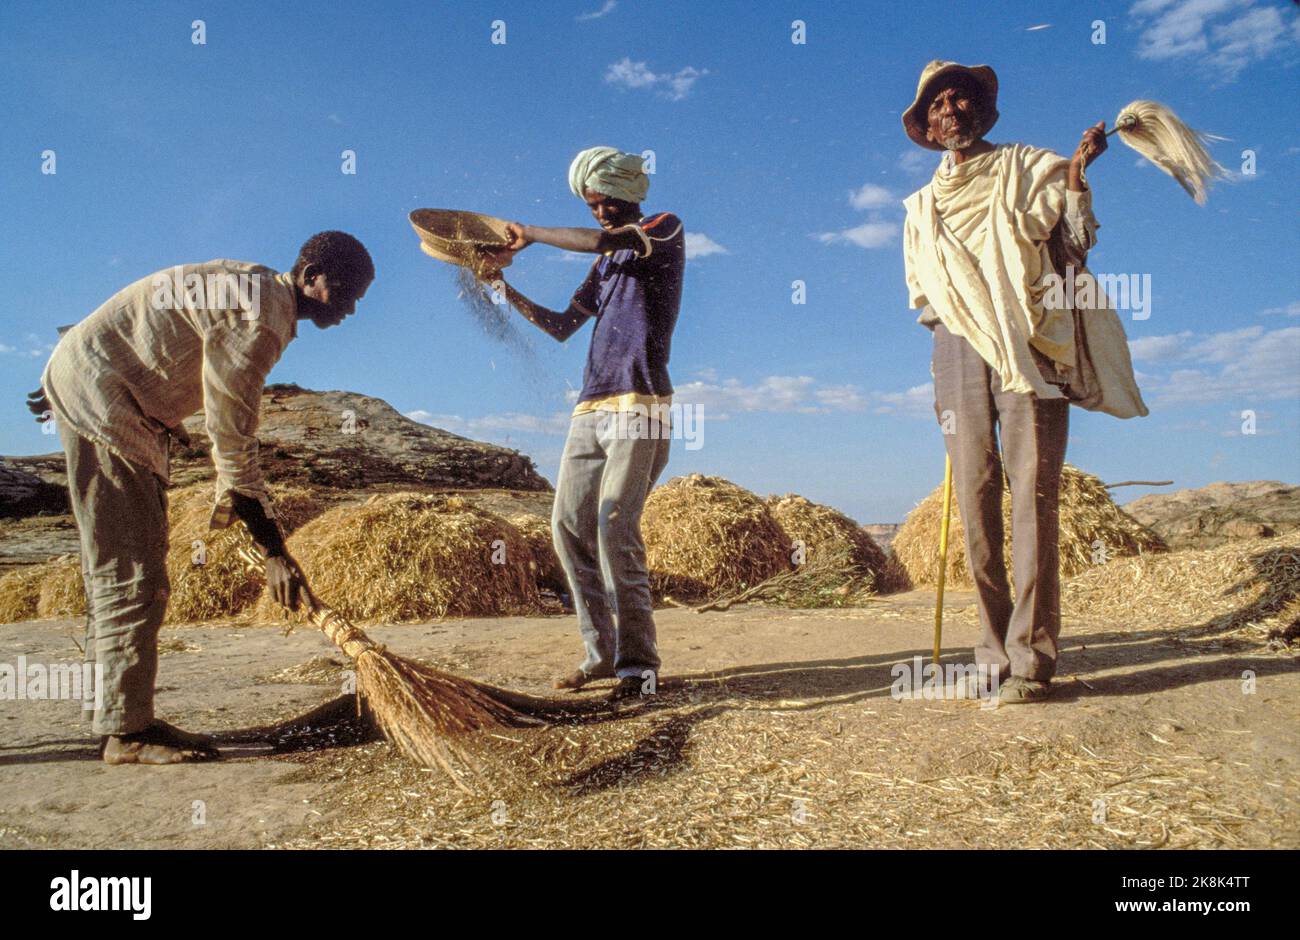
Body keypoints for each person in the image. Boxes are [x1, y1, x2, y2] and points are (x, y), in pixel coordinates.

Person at [27, 231, 375, 761]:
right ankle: (127, 734)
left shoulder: (253, 285)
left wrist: (69, 360)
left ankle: (120, 717)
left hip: (93, 381)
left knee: (121, 571)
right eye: (346, 292)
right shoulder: (260, 317)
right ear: (309, 276)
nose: (351, 309)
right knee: (134, 574)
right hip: (108, 407)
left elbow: (148, 308)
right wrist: (275, 553)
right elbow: (232, 441)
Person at [900, 61, 1148, 704]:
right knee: (975, 503)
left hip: (1030, 343)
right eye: (937, 104)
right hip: (956, 348)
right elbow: (923, 292)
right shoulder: (921, 207)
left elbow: (1074, 244)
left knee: (1033, 498)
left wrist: (1077, 176)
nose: (949, 110)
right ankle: (990, 652)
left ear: (982, 110)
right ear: (927, 124)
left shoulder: (1028, 166)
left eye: (961, 99)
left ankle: (1032, 662)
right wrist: (961, 326)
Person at [487, 146, 685, 702]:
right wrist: (498, 288)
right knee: (568, 527)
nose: (598, 212)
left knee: (615, 528)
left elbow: (603, 239)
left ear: (628, 192)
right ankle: (599, 655)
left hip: (640, 404)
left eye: (602, 201)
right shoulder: (604, 265)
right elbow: (560, 325)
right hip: (591, 407)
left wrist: (529, 232)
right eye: (590, 204)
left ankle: (638, 665)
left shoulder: (662, 229)